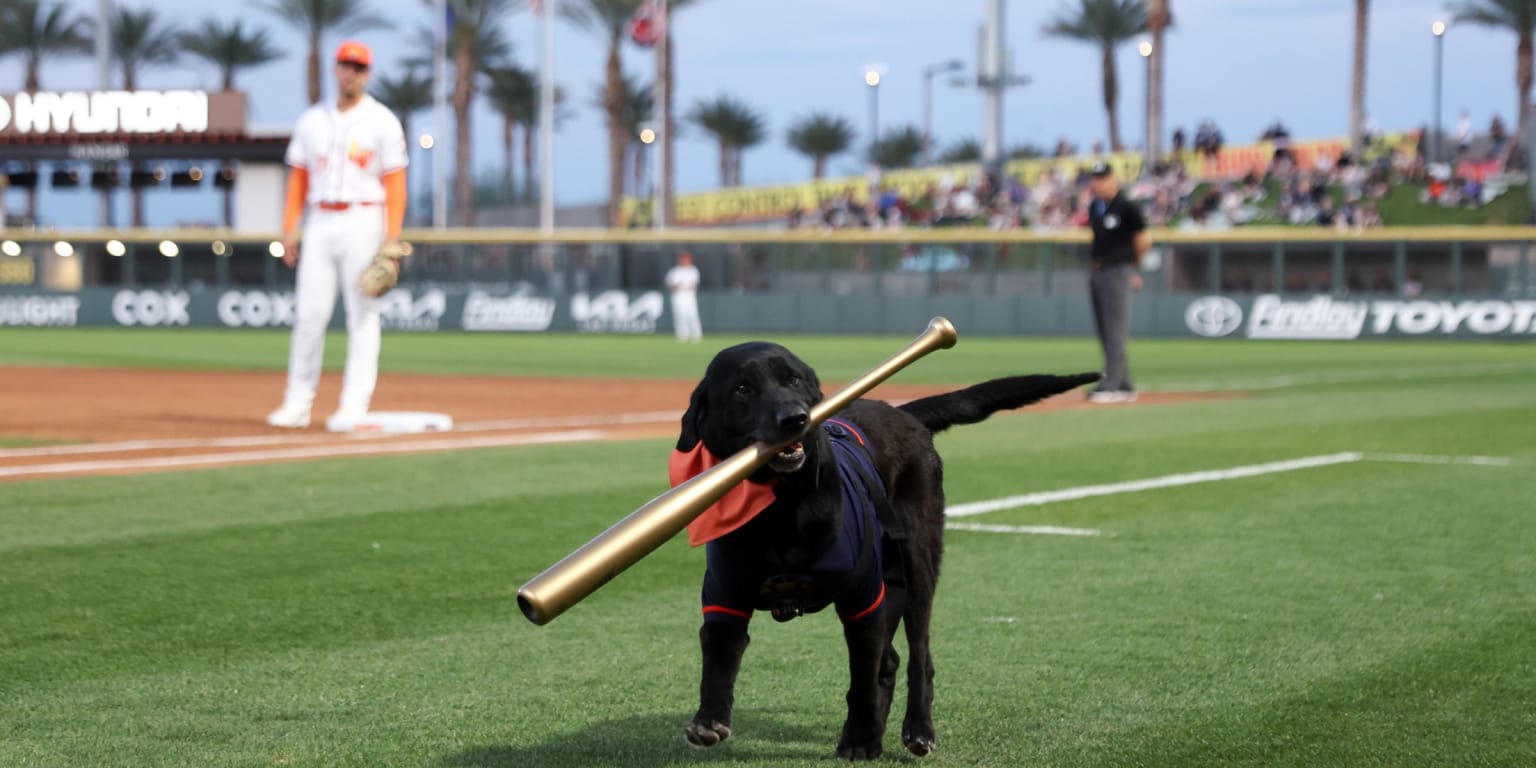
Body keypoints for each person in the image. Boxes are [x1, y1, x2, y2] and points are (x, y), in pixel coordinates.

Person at [265, 40, 409, 430]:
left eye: (359, 67)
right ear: (335, 68)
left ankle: (353, 405)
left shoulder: (382, 121)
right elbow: (299, 178)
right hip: (320, 219)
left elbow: (396, 184)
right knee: (309, 316)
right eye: (346, 65)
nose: (351, 73)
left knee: (362, 315)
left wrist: (391, 239)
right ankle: (297, 403)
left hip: (365, 217)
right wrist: (289, 227)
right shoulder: (312, 120)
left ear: (368, 74)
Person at [1084, 162, 1149, 403]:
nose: (1098, 183)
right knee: (1105, 330)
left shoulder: (1126, 207)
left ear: (1113, 179)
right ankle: (1124, 384)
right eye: (1095, 178)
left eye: (1103, 178)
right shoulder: (1095, 207)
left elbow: (1144, 240)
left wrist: (1132, 268)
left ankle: (1111, 383)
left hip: (1119, 271)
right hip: (1098, 271)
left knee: (1115, 331)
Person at [666, 251, 703, 342]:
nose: (683, 260)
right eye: (682, 259)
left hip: (689, 296)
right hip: (678, 296)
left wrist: (683, 286)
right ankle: (682, 335)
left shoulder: (693, 270)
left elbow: (694, 284)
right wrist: (678, 286)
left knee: (692, 315)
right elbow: (670, 284)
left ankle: (696, 335)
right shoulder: (675, 271)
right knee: (679, 315)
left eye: (686, 259)